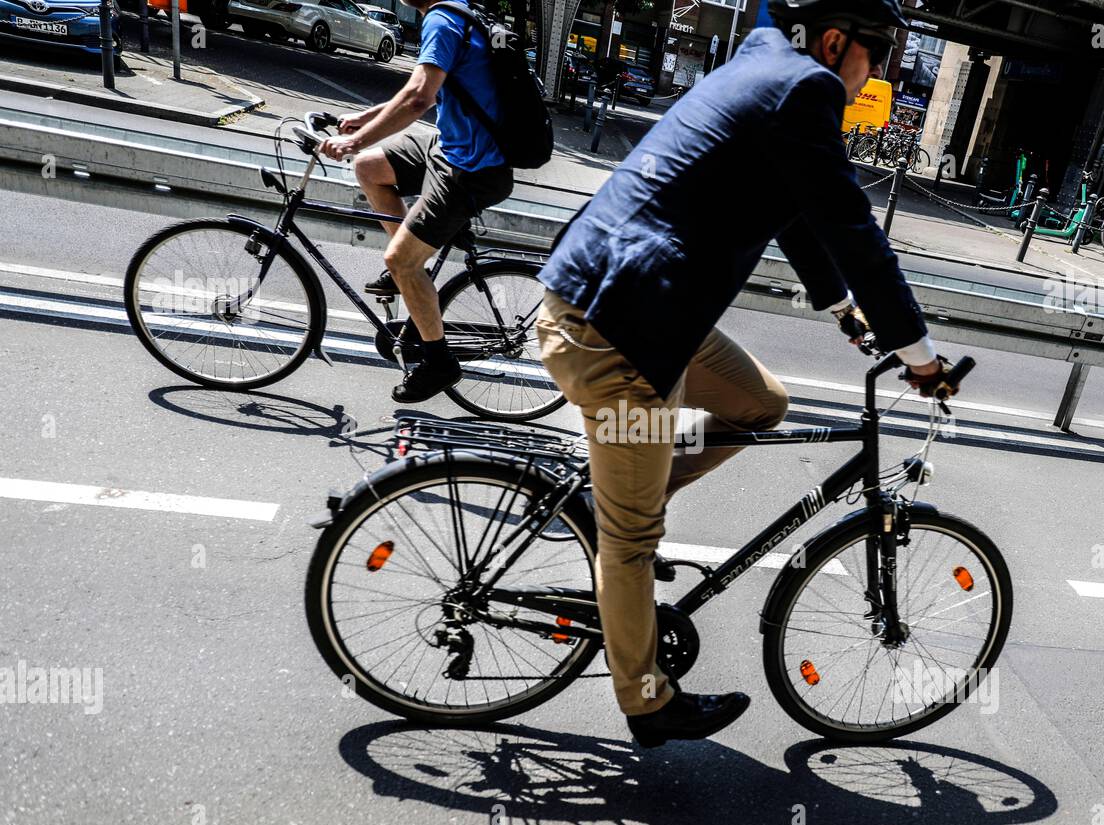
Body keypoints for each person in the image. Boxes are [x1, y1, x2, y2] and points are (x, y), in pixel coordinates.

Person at [536, 0, 954, 748]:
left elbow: (796, 211)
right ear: (836, 39)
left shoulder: (766, 65)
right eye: (878, 53)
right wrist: (920, 357)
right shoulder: (807, 89)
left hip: (642, 303)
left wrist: (839, 309)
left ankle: (625, 489)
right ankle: (647, 701)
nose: (878, 75)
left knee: (761, 401)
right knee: (631, 543)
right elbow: (856, 232)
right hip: (615, 328)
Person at [320, 0, 513, 403]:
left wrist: (353, 140)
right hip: (448, 148)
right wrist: (366, 119)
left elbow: (418, 101)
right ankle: (413, 269)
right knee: (370, 166)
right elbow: (423, 90)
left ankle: (439, 362)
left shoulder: (443, 19)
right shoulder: (454, 13)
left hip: (471, 168)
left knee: (399, 260)